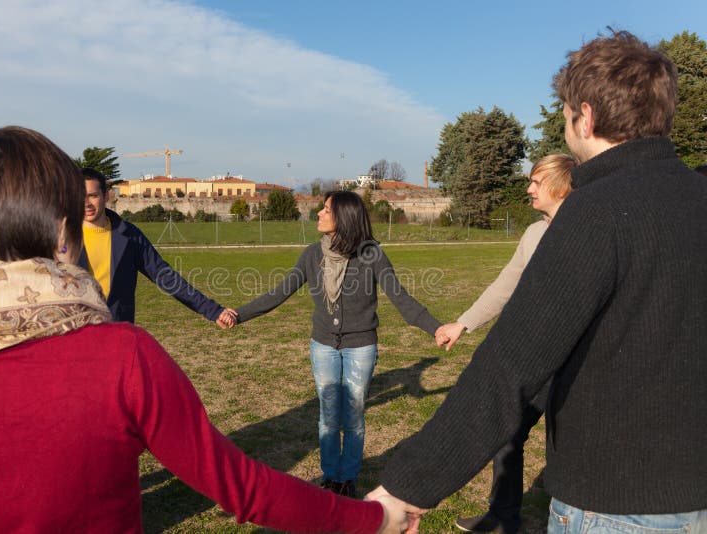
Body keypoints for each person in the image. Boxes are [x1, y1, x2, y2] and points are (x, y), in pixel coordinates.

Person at [0, 126, 416, 533]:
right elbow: (242, 488)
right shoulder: (123, 360)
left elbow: (167, 277)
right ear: (61, 227)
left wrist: (216, 308)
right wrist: (371, 520)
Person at [369, 30, 707, 533]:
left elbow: (509, 367)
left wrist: (405, 488)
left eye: (568, 113)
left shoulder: (595, 212)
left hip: (615, 506)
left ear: (585, 117)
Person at [234, 191, 449, 498]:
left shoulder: (371, 254)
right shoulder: (312, 255)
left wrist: (435, 328)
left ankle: (348, 477)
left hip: (361, 345)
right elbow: (279, 293)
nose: (319, 214)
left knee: (354, 413)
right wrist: (238, 315)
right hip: (322, 345)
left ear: (344, 218)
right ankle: (331, 475)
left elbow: (400, 298)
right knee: (329, 414)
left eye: (325, 210)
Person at [438, 154, 575, 534]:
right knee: (508, 435)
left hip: (579, 362)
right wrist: (462, 324)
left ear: (561, 184)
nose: (528, 188)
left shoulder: (588, 230)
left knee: (570, 445)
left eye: (536, 181)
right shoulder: (533, 234)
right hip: (536, 360)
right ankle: (503, 518)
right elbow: (506, 284)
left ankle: (570, 521)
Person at [79, 167, 236, 327]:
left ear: (105, 196)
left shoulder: (129, 236)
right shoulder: (62, 238)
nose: (86, 203)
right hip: (74, 336)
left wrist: (212, 310)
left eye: (93, 196)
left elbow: (166, 277)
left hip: (116, 334)